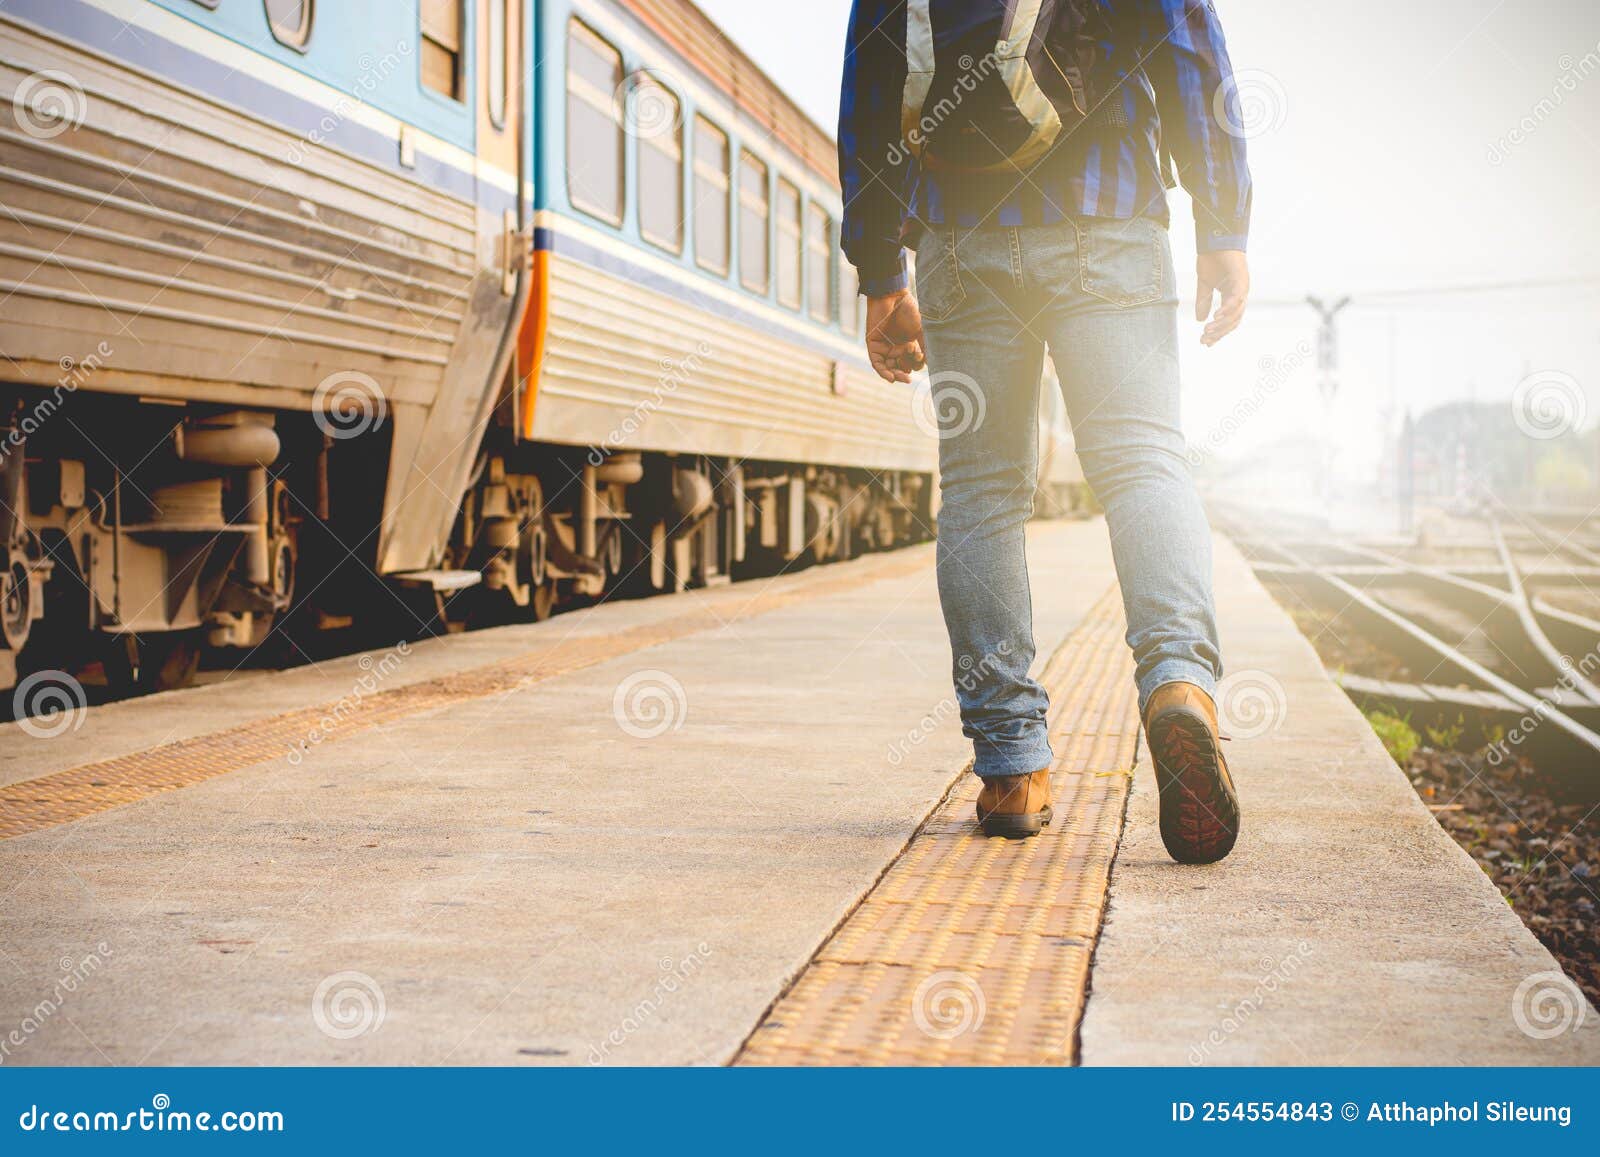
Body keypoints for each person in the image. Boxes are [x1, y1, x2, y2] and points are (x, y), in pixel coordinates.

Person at [839, 0, 1251, 862]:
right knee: (1143, 462)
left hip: (960, 236)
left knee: (984, 491)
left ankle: (1011, 766)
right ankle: (1179, 684)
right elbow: (1188, 43)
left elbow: (873, 80)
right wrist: (1222, 218)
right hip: (1110, 217)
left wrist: (882, 267)